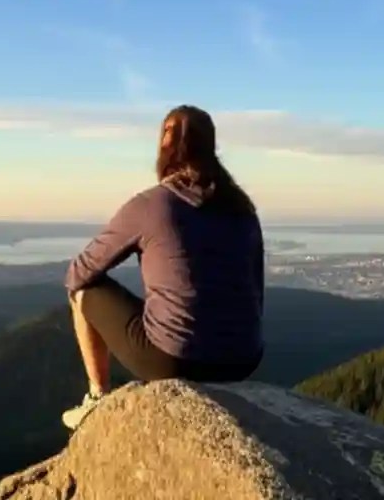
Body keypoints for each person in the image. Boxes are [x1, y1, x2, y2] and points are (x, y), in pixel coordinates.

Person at [60, 104, 265, 430]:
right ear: (211, 148)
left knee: (83, 292)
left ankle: (97, 398)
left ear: (164, 149)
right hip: (244, 360)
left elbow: (78, 273)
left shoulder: (152, 204)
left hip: (175, 360)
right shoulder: (243, 209)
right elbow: (256, 291)